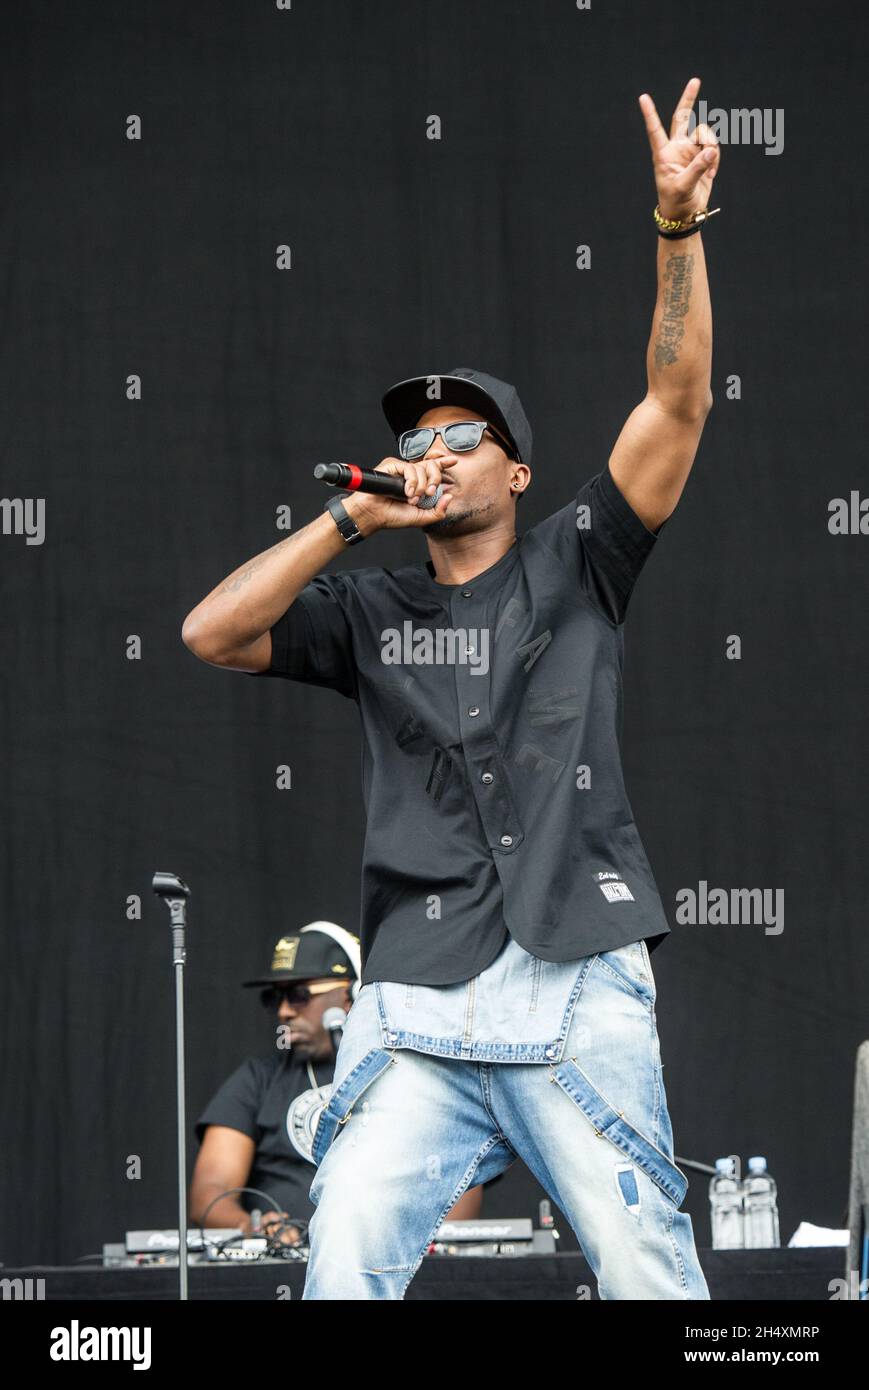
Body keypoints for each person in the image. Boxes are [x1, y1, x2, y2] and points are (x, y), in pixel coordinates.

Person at [182, 77, 719, 1299]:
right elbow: (211, 632)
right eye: (415, 438)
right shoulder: (368, 608)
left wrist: (674, 229)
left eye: (460, 434)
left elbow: (675, 402)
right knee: (347, 1248)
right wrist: (345, 517)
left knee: (645, 1267)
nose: (432, 450)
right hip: (420, 1000)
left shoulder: (579, 555)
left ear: (518, 469)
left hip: (572, 975)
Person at [189, 923, 491, 1246]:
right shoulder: (256, 1079)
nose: (284, 1011)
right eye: (275, 997)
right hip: (279, 1264)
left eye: (299, 995)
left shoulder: (409, 1076)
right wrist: (254, 1226)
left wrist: (399, 1249)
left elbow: (460, 1184)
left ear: (351, 994)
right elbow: (210, 1192)